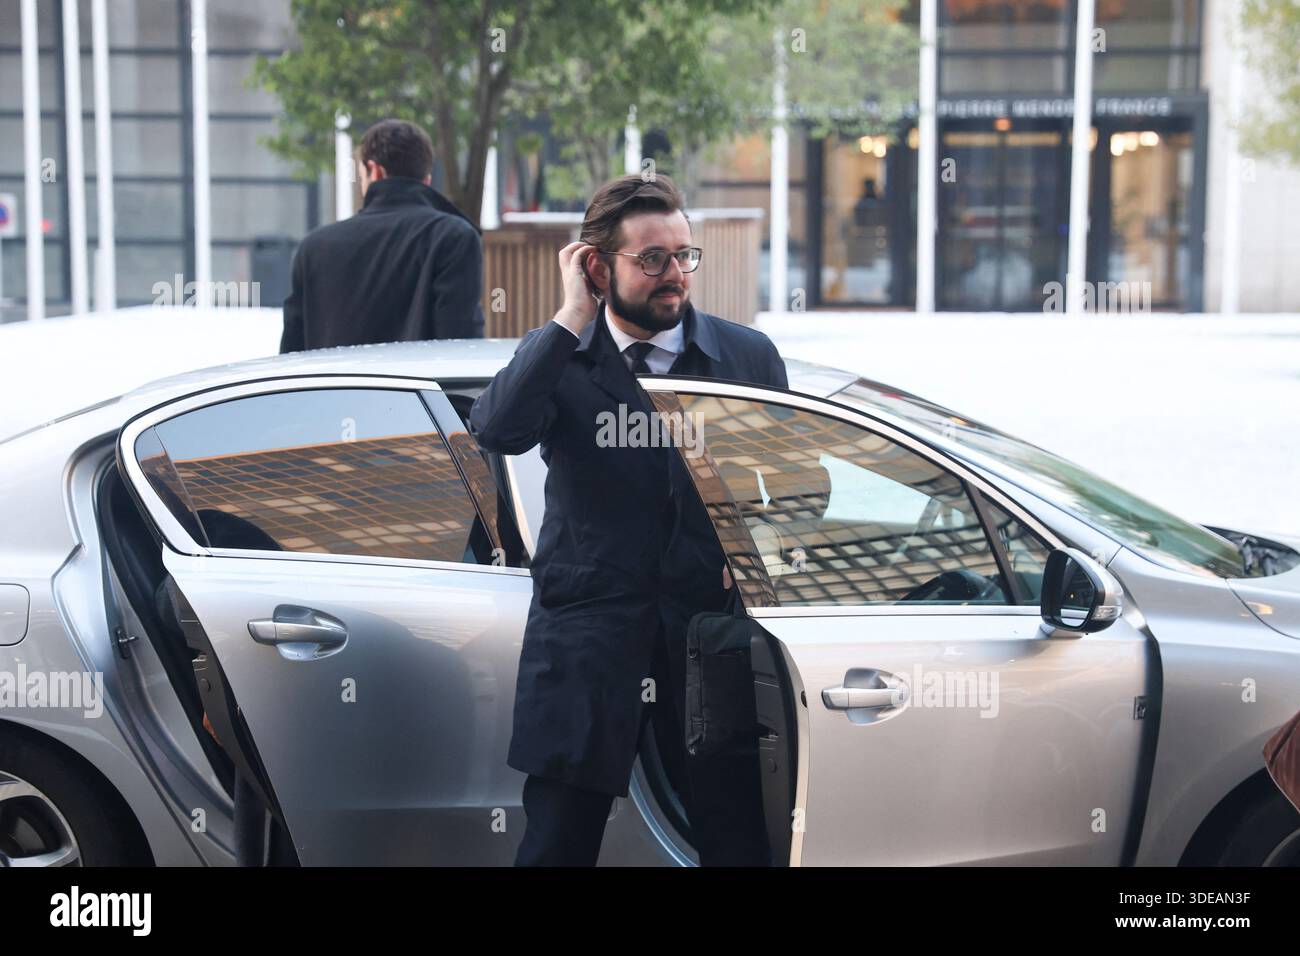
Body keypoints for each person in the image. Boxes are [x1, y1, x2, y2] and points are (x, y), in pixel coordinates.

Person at [468, 173, 787, 866]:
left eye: (684, 256)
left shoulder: (745, 358)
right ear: (597, 267)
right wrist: (568, 318)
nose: (675, 275)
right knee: (556, 844)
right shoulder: (561, 357)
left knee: (736, 841)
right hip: (588, 645)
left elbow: (794, 486)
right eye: (652, 259)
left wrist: (752, 544)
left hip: (708, 644)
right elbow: (496, 429)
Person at [280, 118, 484, 353]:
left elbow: (291, 356)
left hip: (333, 391)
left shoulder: (313, 249)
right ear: (426, 179)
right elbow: (461, 346)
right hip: (418, 388)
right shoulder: (454, 238)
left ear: (374, 171)